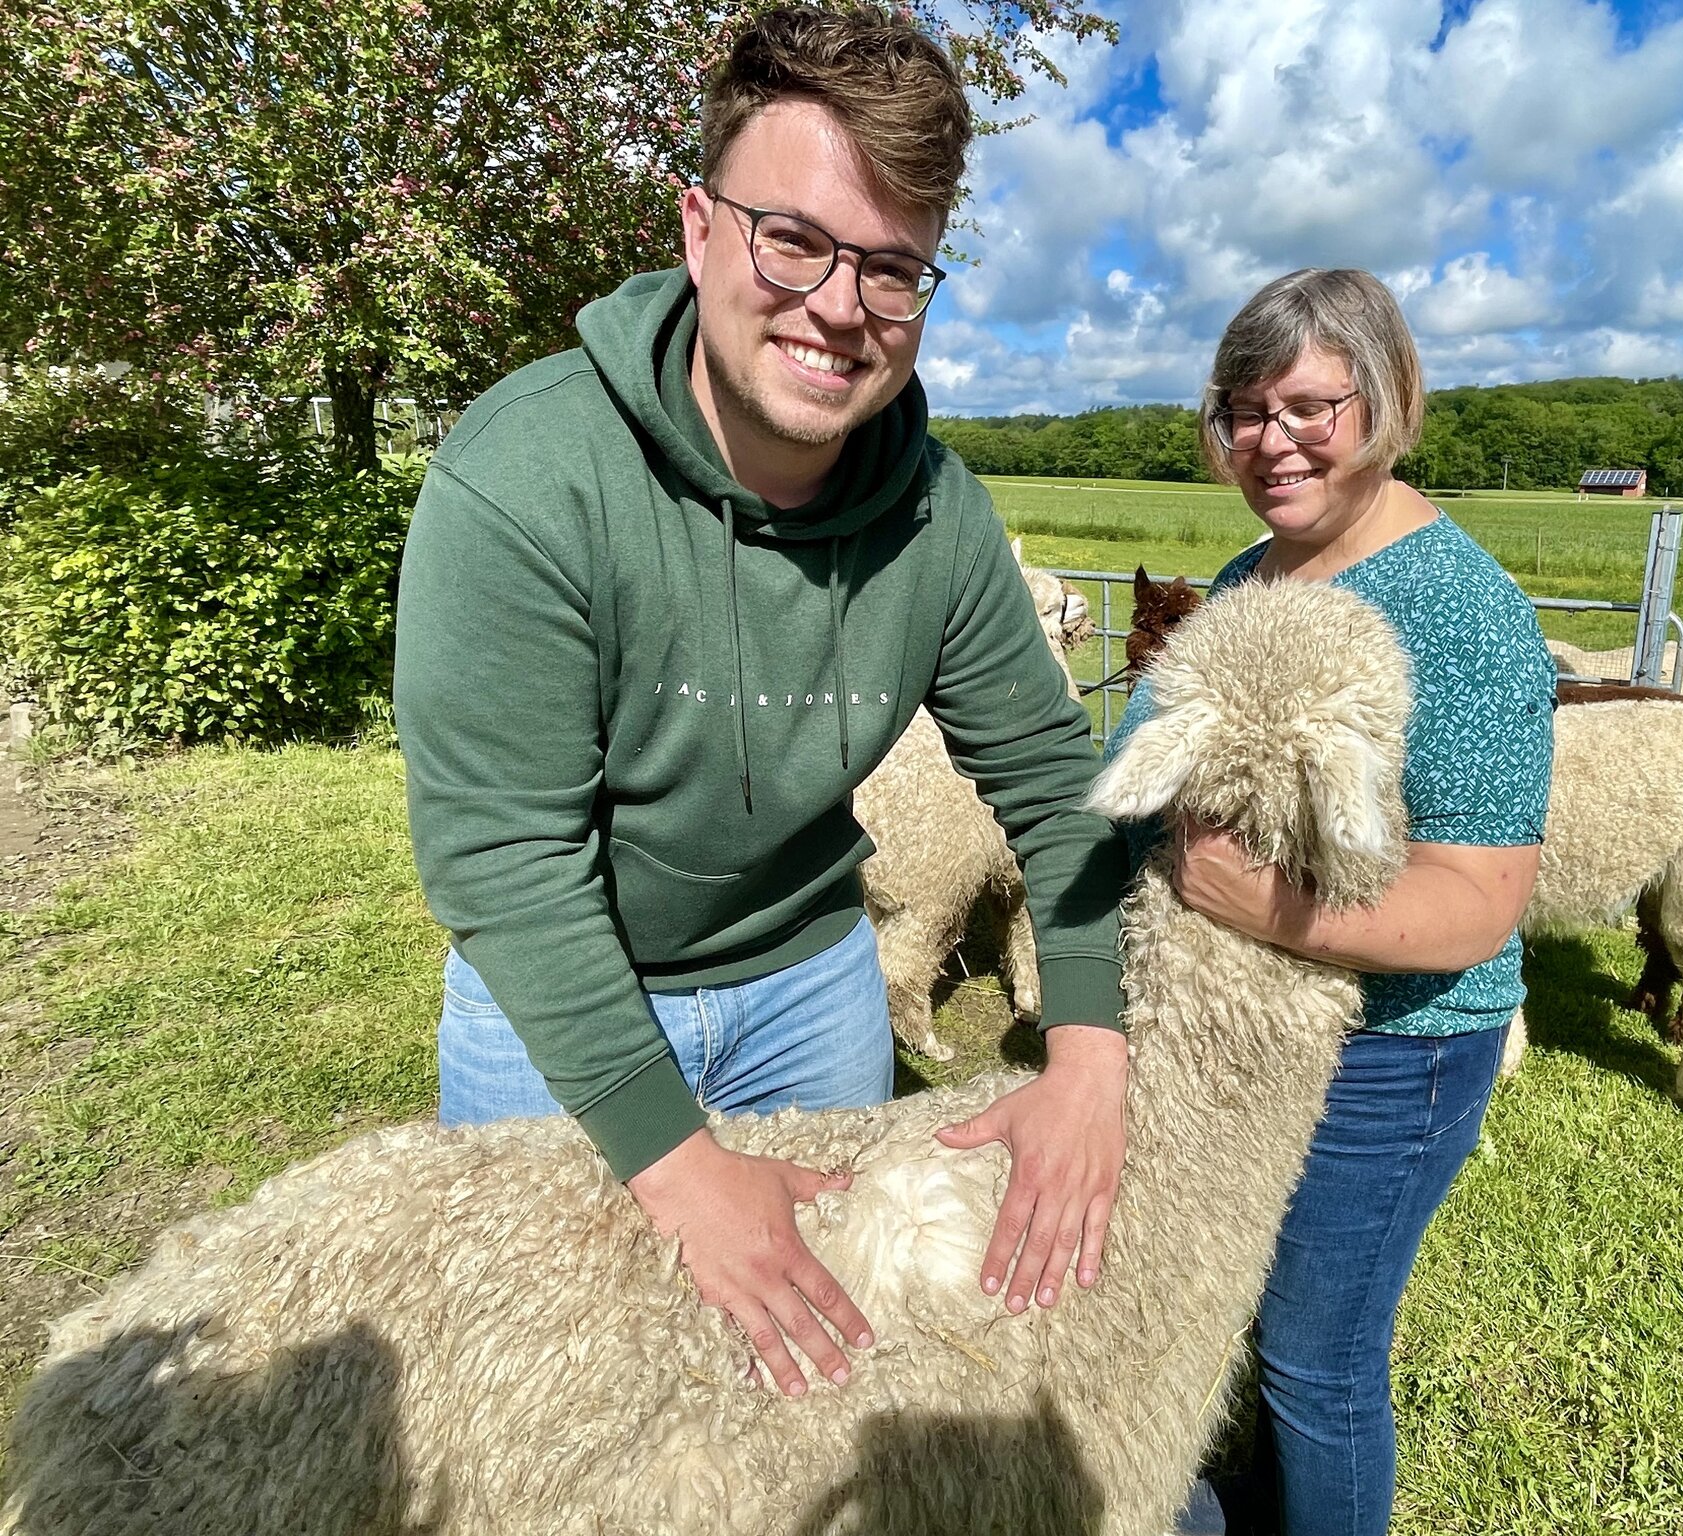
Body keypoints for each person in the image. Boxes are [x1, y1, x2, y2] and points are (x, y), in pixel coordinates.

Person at [393, 3, 1129, 1404]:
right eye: (793, 238)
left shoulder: (938, 520)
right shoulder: (526, 479)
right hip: (558, 995)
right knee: (556, 1393)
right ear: (697, 228)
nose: (840, 304)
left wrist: (1090, 1043)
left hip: (809, 977)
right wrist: (678, 1169)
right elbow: (503, 863)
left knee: (808, 1387)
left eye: (894, 269)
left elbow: (1047, 776)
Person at [1104, 269, 1553, 1536]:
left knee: (1317, 1357)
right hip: (1244, 1031)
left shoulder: (1458, 617)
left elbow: (1474, 904)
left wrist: (1240, 898)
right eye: (1241, 411)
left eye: (1309, 405)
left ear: (1390, 399)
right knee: (1224, 1314)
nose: (1270, 442)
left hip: (1388, 1051)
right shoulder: (1262, 568)